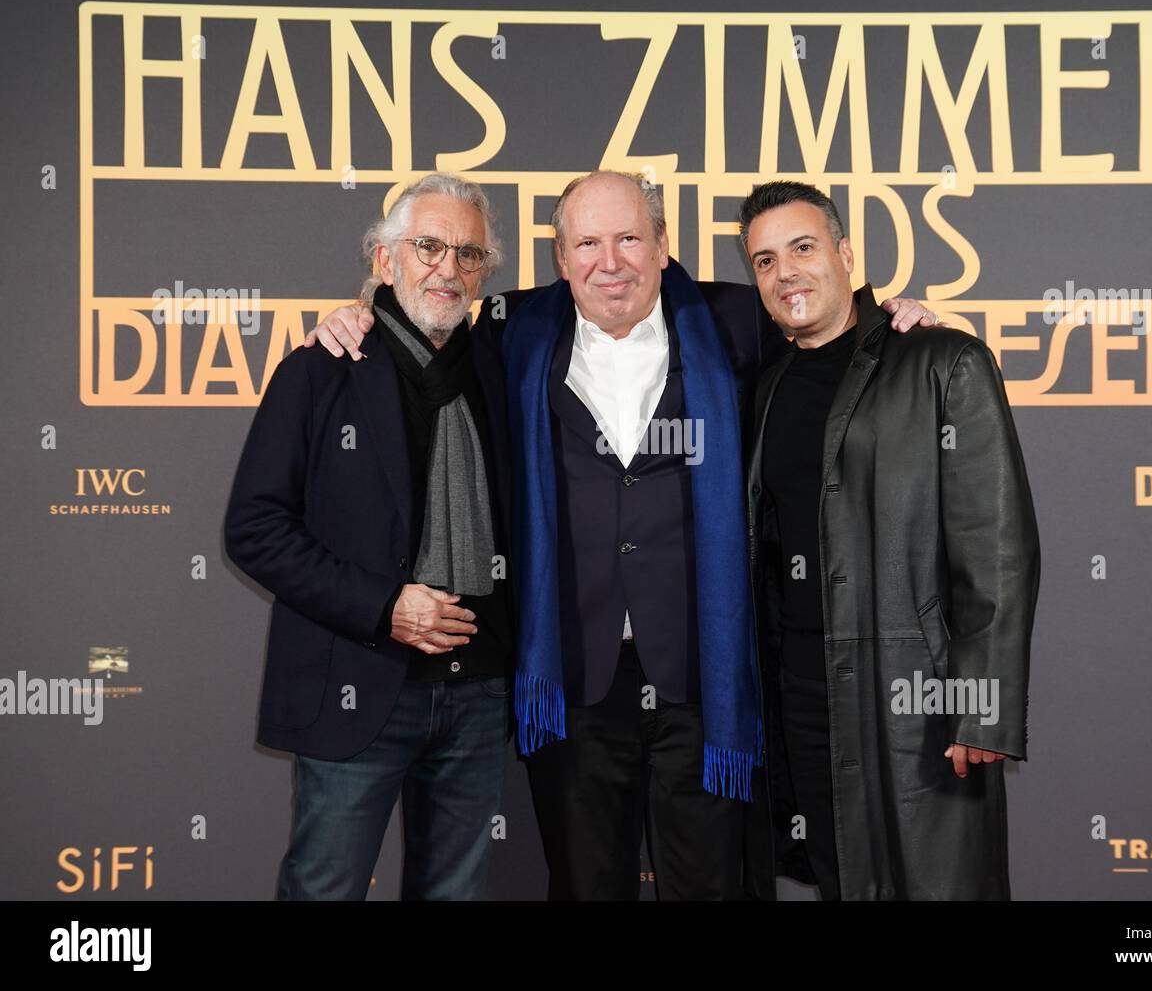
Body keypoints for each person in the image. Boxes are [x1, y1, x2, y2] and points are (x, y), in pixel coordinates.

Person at [305, 171, 938, 900]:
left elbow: (825, 331)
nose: (612, 261)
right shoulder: (513, 328)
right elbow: (422, 335)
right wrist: (355, 316)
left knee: (713, 887)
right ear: (561, 256)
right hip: (573, 676)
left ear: (663, 246)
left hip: (705, 675)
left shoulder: (733, 319)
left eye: (630, 238)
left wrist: (894, 325)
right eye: (589, 243)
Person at [739, 180, 1040, 900]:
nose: (786, 272)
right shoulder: (765, 385)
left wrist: (984, 710)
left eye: (803, 248)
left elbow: (997, 549)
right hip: (804, 700)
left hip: (919, 701)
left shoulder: (942, 362)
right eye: (764, 260)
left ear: (845, 254)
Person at [224, 173, 514, 900]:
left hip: (478, 695)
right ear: (385, 261)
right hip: (358, 682)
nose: (448, 268)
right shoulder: (320, 370)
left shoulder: (502, 367)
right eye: (428, 247)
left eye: (468, 254)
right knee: (326, 889)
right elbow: (254, 528)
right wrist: (386, 605)